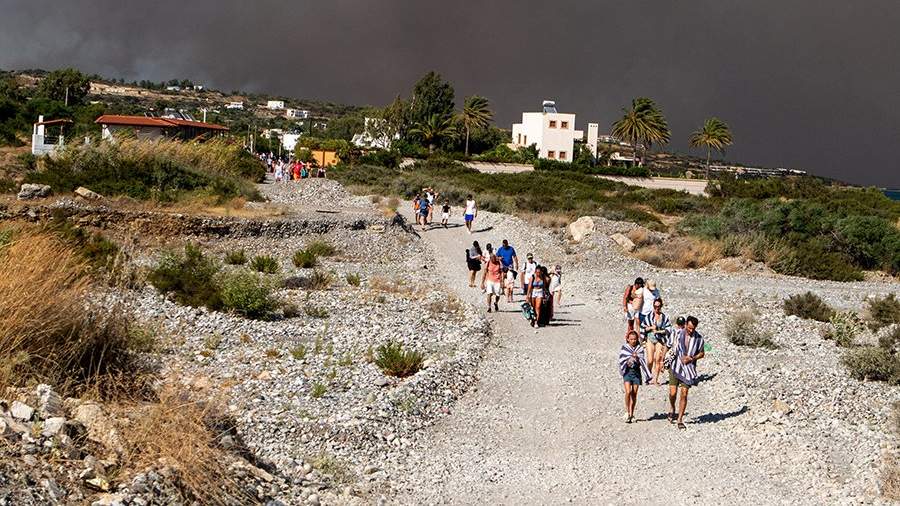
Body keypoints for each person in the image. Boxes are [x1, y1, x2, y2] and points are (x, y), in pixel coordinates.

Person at [667, 316, 706, 429]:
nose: (691, 330)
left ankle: (680, 419)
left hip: (688, 369)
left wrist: (692, 358)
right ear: (685, 325)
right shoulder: (677, 334)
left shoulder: (699, 339)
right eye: (689, 328)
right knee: (673, 393)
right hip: (675, 366)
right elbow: (668, 346)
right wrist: (662, 362)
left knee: (684, 393)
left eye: (693, 328)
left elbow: (702, 353)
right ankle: (672, 407)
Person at [618, 330, 652, 423]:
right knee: (628, 391)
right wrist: (629, 359)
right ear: (628, 339)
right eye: (631, 339)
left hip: (636, 372)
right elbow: (622, 359)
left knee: (634, 393)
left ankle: (632, 413)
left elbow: (642, 362)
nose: (633, 341)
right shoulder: (625, 348)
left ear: (637, 339)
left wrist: (637, 358)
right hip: (627, 372)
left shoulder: (640, 349)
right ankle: (627, 411)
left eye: (634, 339)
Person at [641, 297, 671, 385]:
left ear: (661, 306)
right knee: (650, 360)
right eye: (655, 306)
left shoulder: (664, 317)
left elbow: (668, 329)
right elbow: (643, 327)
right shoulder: (649, 316)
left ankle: (655, 379)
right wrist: (651, 328)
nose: (657, 308)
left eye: (658, 307)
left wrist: (659, 331)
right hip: (650, 338)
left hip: (659, 340)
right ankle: (648, 376)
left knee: (657, 359)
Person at [481, 248, 503, 313]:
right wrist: (482, 282)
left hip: (497, 280)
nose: (492, 260)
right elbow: (485, 272)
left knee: (498, 295)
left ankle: (496, 303)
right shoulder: (488, 263)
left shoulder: (499, 263)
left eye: (493, 258)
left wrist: (502, 282)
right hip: (490, 280)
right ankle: (489, 307)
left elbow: (501, 272)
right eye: (491, 258)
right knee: (489, 293)